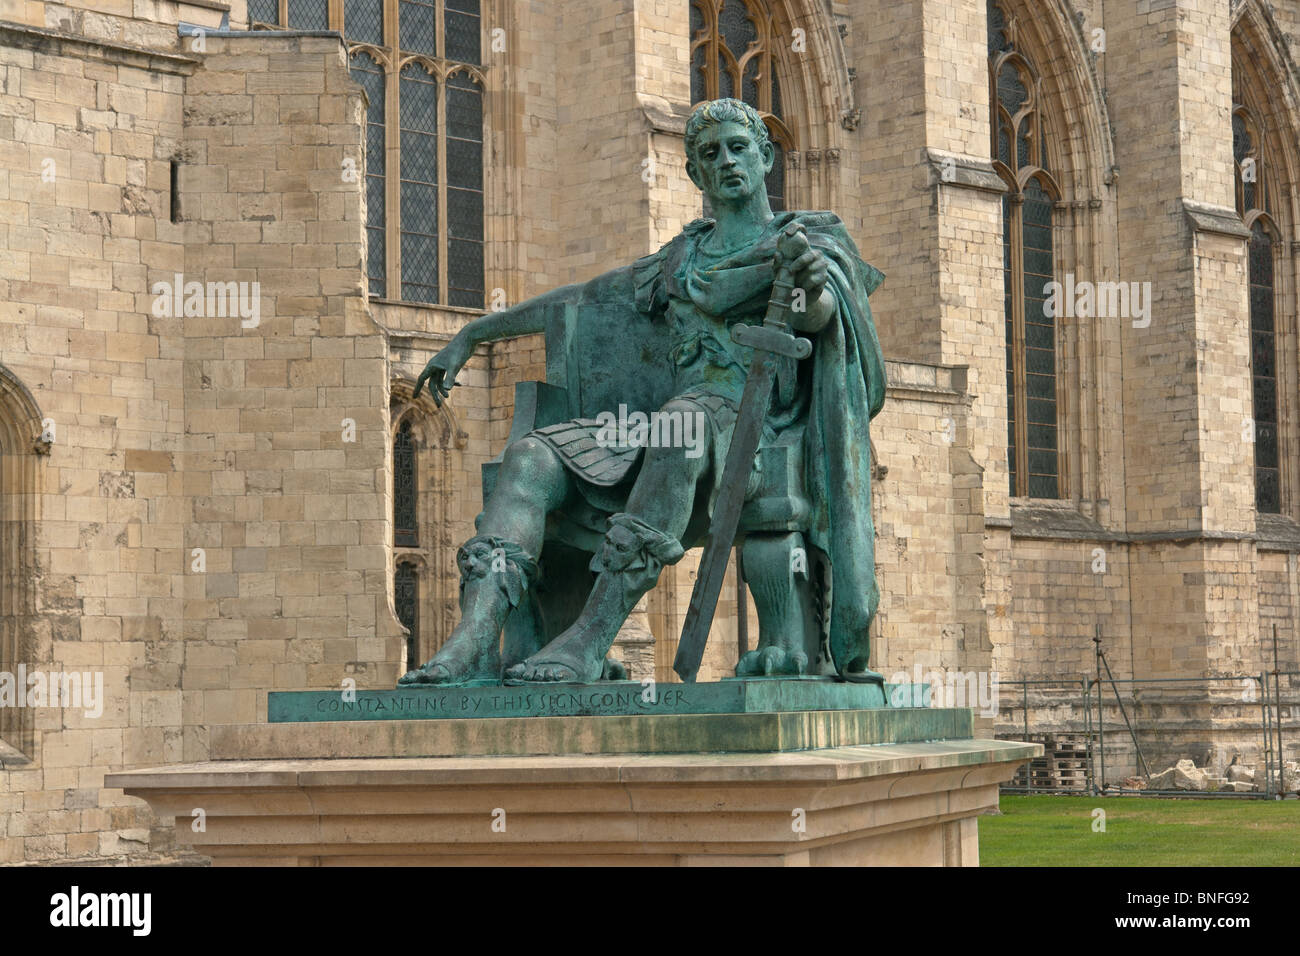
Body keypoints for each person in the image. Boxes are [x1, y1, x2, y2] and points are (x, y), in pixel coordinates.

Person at [400, 98, 885, 685]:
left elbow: (819, 316)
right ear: (695, 174)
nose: (727, 161)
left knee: (679, 430)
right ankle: (473, 641)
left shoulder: (800, 243)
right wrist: (474, 332)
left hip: (750, 427)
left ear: (765, 158)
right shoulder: (680, 260)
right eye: (710, 153)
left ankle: (588, 638)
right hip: (663, 424)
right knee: (530, 458)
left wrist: (809, 287)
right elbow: (579, 299)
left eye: (739, 148)